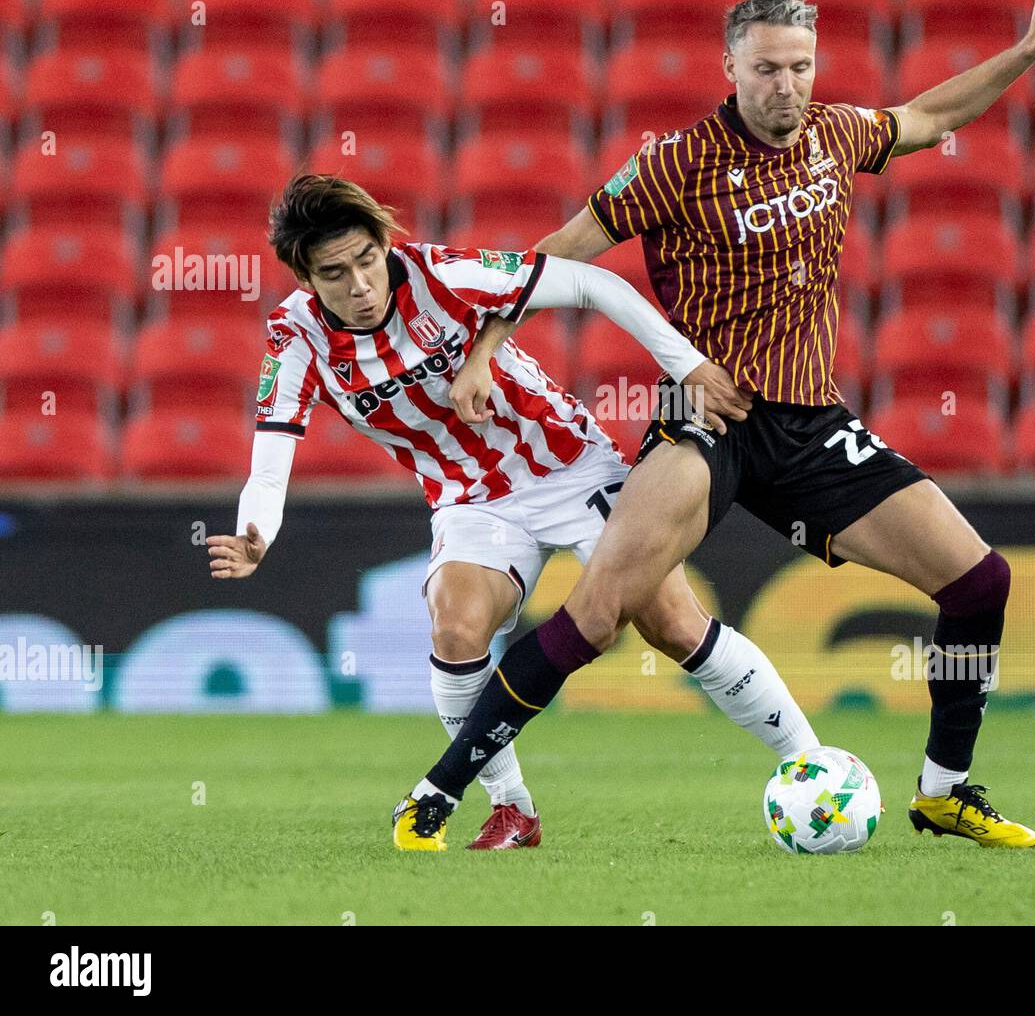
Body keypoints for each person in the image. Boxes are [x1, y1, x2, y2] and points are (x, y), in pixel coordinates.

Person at [403, 0, 1035, 850]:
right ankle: (438, 794)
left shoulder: (838, 134)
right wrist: (485, 348)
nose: (787, 85)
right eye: (767, 68)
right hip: (708, 423)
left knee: (980, 581)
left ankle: (944, 791)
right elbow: (556, 254)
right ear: (729, 68)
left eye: (800, 66)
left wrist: (1027, 51)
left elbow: (923, 116)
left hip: (810, 426)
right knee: (597, 612)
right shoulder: (673, 162)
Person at [206, 174, 821, 851]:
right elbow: (271, 455)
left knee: (672, 625)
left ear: (384, 245)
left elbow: (593, 285)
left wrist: (687, 366)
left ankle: (812, 764)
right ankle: (512, 810)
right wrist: (258, 532)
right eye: (333, 273)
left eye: (366, 259)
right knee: (456, 628)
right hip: (470, 496)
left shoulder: (441, 275)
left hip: (568, 466)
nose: (358, 284)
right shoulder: (295, 338)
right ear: (304, 277)